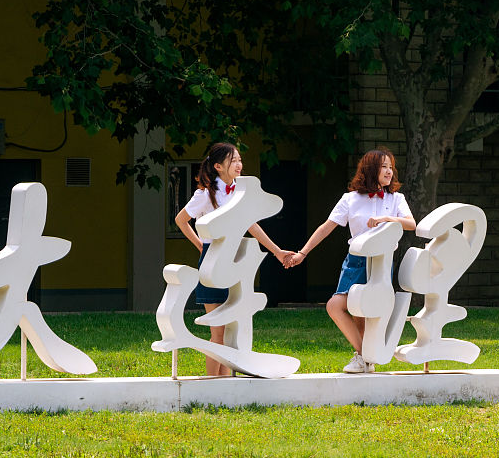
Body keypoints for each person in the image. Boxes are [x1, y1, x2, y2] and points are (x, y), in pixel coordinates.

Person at [286, 148, 416, 373]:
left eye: (390, 167)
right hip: (356, 260)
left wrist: (387, 219)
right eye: (383, 166)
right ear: (370, 169)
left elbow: (411, 223)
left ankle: (364, 359)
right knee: (337, 306)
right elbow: (327, 227)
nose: (389, 171)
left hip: (382, 262)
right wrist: (302, 253)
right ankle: (366, 355)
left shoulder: (397, 198)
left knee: (366, 309)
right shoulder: (351, 199)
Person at [174, 142, 294, 377]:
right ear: (218, 166)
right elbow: (181, 220)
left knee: (232, 330)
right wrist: (201, 245)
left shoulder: (240, 193)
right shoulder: (205, 194)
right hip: (214, 262)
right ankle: (213, 383)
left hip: (235, 261)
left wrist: (278, 251)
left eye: (240, 160)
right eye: (233, 161)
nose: (239, 165)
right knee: (217, 330)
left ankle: (227, 381)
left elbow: (251, 225)